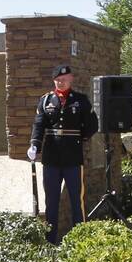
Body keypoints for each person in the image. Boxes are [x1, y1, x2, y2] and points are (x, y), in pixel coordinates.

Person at [28, 65, 98, 244]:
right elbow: (39, 124)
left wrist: (80, 137)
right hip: (51, 157)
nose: (61, 82)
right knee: (51, 201)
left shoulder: (81, 100)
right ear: (54, 81)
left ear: (71, 79)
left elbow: (92, 124)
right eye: (58, 80)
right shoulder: (46, 100)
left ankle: (80, 241)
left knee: (77, 200)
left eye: (64, 79)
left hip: (73, 158)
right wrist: (35, 145)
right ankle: (50, 241)